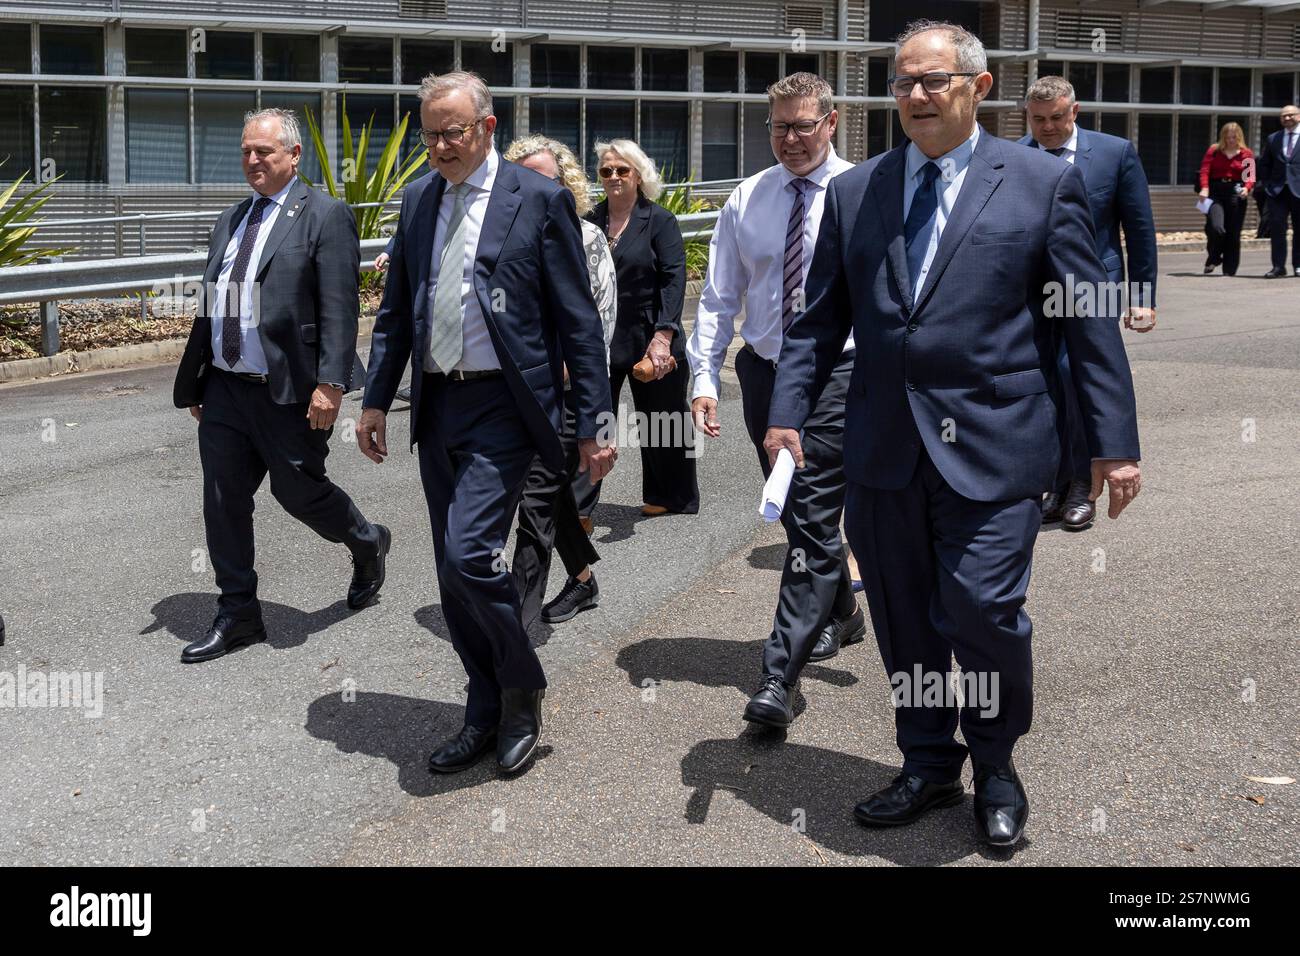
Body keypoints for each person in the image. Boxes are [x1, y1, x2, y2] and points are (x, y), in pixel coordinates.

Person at [764, 20, 1142, 847]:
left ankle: (998, 764)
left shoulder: (1040, 181)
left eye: (934, 81)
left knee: (982, 608)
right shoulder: (859, 190)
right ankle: (930, 761)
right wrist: (787, 413)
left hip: (998, 441)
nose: (916, 96)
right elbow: (819, 318)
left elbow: (1087, 319)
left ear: (980, 86)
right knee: (903, 616)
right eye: (903, 82)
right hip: (885, 447)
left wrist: (1114, 441)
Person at [357, 72, 615, 776]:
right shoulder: (416, 202)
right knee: (451, 571)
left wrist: (595, 419)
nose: (441, 146)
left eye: (454, 132)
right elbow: (396, 314)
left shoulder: (538, 200)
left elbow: (579, 321)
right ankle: (482, 704)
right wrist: (376, 399)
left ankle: (521, 686)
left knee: (473, 554)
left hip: (507, 404)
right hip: (438, 404)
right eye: (430, 134)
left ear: (488, 128)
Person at [173, 108, 389, 665]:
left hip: (291, 387)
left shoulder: (324, 214)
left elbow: (341, 306)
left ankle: (365, 541)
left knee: (298, 492)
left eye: (264, 152)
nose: (252, 161)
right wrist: (200, 375)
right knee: (222, 498)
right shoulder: (231, 219)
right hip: (225, 387)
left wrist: (332, 383)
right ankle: (238, 610)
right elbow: (213, 299)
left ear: (294, 156)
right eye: (246, 151)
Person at [686, 71, 864, 730]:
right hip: (763, 372)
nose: (790, 139)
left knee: (812, 510)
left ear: (831, 122)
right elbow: (719, 296)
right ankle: (843, 610)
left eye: (803, 125)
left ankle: (778, 677)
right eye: (779, 127)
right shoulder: (748, 198)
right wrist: (705, 377)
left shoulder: (861, 194)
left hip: (836, 376)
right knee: (795, 508)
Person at [1020, 75, 1157, 532]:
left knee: (1070, 372)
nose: (1048, 128)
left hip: (1093, 282)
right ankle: (1055, 483)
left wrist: (1142, 297)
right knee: (1043, 380)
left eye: (1057, 118)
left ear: (1073, 112)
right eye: (1038, 119)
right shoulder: (1015, 156)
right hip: (1033, 287)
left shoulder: (1115, 153)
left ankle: (1081, 485)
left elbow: (1138, 230)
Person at [501, 134, 618, 629]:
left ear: (566, 184)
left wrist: (583, 391)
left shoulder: (586, 238)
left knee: (536, 498)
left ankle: (515, 629)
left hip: (565, 394)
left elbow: (600, 322)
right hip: (511, 393)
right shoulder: (501, 237)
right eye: (524, 179)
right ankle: (584, 579)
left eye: (546, 179)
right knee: (554, 496)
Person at [578, 139, 698, 520]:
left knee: (663, 420)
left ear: (638, 175)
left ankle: (672, 496)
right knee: (593, 420)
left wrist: (664, 335)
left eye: (622, 170)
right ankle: (578, 507)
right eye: (606, 171)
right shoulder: (589, 220)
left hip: (650, 332)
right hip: (601, 336)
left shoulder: (659, 220)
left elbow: (674, 279)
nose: (613, 177)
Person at [1199, 122, 1255, 277]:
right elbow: (1205, 170)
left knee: (1233, 233)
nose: (1231, 140)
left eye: (1234, 137)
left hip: (1235, 192)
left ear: (1239, 137)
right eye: (1228, 137)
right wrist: (1204, 187)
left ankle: (1229, 270)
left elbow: (1249, 176)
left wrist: (1247, 187)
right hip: (1215, 191)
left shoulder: (1246, 153)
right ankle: (1214, 257)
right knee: (1215, 227)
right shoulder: (1214, 151)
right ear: (1223, 137)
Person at [1258, 104, 1300, 278]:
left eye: (1291, 115)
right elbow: (1263, 164)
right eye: (1284, 116)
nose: (1287, 118)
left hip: (1298, 190)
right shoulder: (1273, 138)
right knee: (1277, 229)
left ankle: (1298, 266)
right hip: (1277, 191)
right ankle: (1278, 267)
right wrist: (1266, 185)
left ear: (1299, 116)